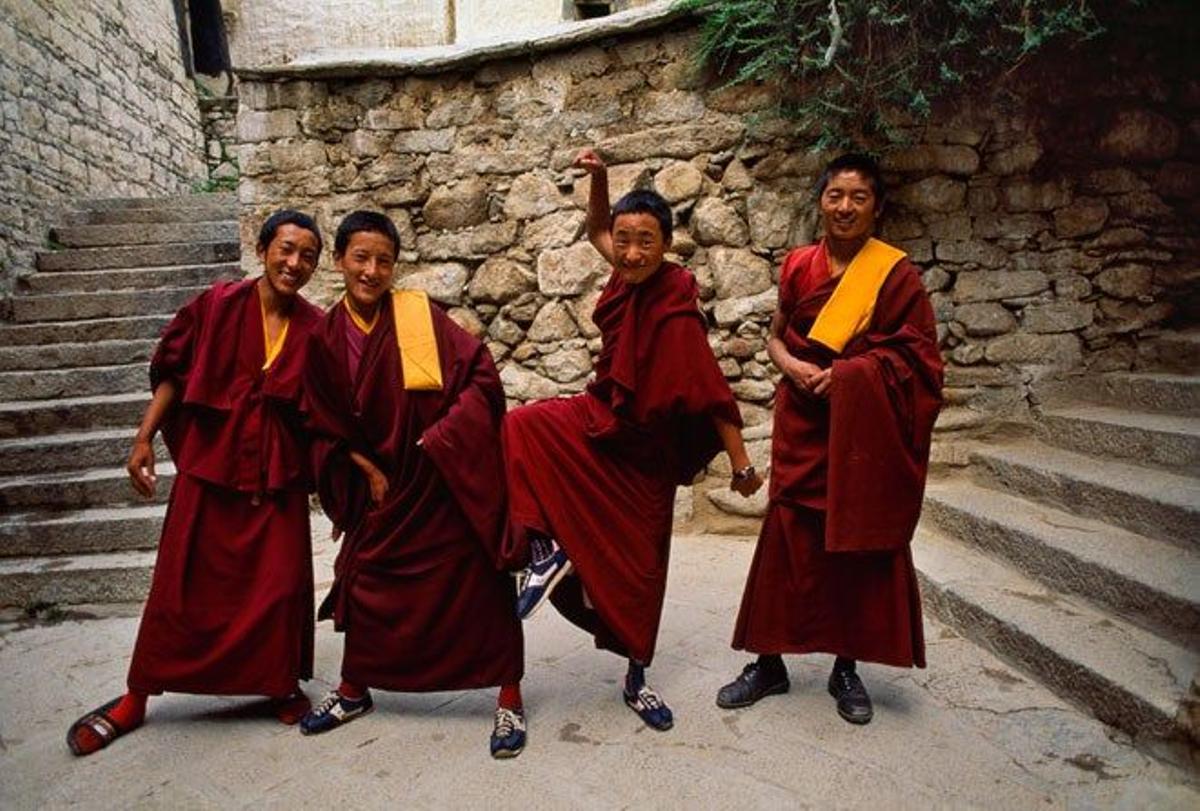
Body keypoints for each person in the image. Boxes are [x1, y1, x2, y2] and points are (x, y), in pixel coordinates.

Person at [504, 149, 764, 731]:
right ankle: (546, 549)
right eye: (624, 240)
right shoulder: (621, 269)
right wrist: (598, 178)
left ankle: (636, 678)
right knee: (520, 426)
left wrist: (743, 465)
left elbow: (710, 390)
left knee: (641, 575)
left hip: (645, 456)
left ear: (666, 244)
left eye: (645, 241)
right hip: (601, 423)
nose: (630, 252)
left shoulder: (675, 304)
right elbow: (596, 224)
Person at [66, 210, 326, 756]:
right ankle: (136, 697)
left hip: (275, 476)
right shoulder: (217, 306)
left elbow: (330, 412)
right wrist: (143, 439)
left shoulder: (315, 328)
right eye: (285, 249)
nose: (294, 263)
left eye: (307, 255)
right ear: (262, 250)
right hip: (213, 465)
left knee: (279, 588)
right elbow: (175, 375)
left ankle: (277, 682)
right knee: (178, 588)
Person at [716, 153, 944, 725]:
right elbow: (775, 337)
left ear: (877, 208)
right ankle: (768, 662)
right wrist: (790, 365)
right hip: (803, 422)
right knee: (785, 543)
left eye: (858, 197)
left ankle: (846, 668)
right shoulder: (797, 265)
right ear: (820, 200)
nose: (844, 207)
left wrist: (847, 377)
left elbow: (918, 363)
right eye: (835, 195)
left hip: (859, 433)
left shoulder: (896, 276)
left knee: (854, 546)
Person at [299, 211, 527, 759]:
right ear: (339, 262)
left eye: (383, 261)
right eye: (361, 258)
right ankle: (355, 690)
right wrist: (367, 470)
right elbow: (318, 422)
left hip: (443, 479)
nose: (372, 271)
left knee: (480, 585)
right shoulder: (324, 338)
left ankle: (509, 698)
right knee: (370, 583)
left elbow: (481, 376)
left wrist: (447, 437)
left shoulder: (418, 315)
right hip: (385, 492)